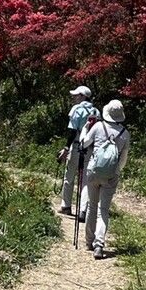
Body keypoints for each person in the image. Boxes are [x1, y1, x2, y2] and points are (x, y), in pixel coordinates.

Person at [78, 98, 130, 259]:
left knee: (92, 206)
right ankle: (99, 245)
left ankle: (89, 241)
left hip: (94, 171)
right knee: (103, 210)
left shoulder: (98, 126)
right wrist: (115, 171)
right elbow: (123, 160)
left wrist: (85, 129)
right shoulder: (125, 133)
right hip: (111, 175)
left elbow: (84, 144)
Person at [57, 85, 98, 217]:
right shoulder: (96, 111)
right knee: (85, 180)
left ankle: (66, 206)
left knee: (69, 177)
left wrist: (66, 148)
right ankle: (83, 210)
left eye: (77, 95)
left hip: (76, 146)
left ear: (83, 96)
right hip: (90, 148)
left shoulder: (77, 109)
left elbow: (72, 131)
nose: (75, 97)